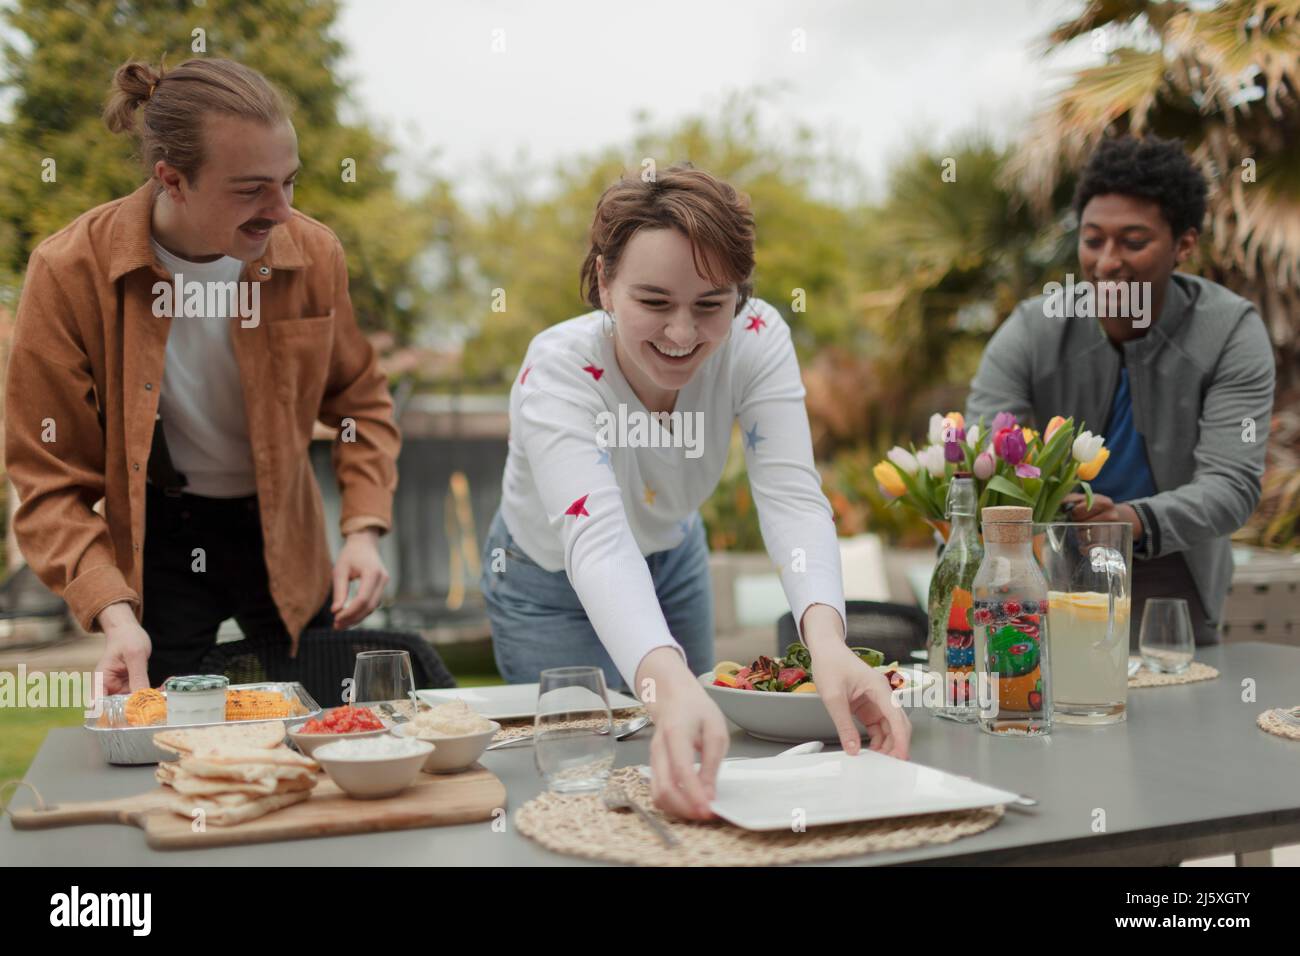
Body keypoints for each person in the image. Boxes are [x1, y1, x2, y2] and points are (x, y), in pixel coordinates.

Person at [480, 165, 910, 820]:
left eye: (711, 304)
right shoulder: (558, 367)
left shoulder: (758, 338)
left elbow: (791, 495)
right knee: (581, 780)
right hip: (546, 580)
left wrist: (826, 640)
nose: (683, 335)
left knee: (699, 749)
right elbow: (595, 540)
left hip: (675, 556)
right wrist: (665, 685)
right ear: (604, 281)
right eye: (653, 303)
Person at [4, 58, 400, 693]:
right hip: (160, 540)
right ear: (173, 180)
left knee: (328, 726)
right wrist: (113, 610)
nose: (280, 211)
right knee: (164, 742)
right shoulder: (66, 272)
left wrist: (362, 530)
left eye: (289, 182)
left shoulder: (315, 253)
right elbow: (49, 479)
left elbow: (359, 403)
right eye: (250, 190)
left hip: (285, 534)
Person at [967, 135, 1275, 647]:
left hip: (1170, 580)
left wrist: (1130, 521)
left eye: (1133, 242)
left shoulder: (1230, 332)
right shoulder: (1033, 329)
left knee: (1178, 719)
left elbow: (1231, 484)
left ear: (1184, 244)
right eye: (1093, 240)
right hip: (1040, 576)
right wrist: (1055, 513)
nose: (1108, 262)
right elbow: (987, 453)